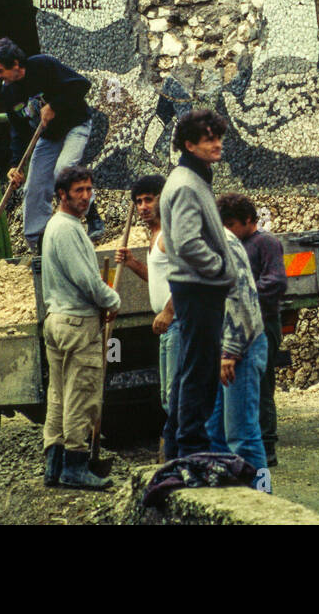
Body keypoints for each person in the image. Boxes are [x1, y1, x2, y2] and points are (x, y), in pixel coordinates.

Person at [159, 109, 237, 460]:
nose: (217, 144)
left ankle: (179, 445)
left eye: (218, 136)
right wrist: (220, 267)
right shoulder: (188, 185)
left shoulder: (192, 177)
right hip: (198, 287)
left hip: (193, 287)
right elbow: (189, 242)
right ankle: (192, 447)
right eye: (208, 138)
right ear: (189, 145)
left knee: (189, 368)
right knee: (200, 371)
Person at [39, 165, 121, 489]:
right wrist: (112, 299)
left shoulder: (57, 226)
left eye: (89, 190)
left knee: (58, 394)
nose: (86, 197)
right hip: (76, 322)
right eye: (79, 191)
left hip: (57, 319)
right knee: (81, 393)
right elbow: (87, 280)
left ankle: (54, 464)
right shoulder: (68, 229)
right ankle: (74, 464)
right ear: (62, 194)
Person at [0, 37, 106, 251]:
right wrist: (15, 165)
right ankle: (38, 243)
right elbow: (18, 130)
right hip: (48, 136)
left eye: (0, 71)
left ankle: (93, 217)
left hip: (75, 126)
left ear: (15, 64)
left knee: (64, 171)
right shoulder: (8, 92)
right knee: (33, 186)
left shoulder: (43, 65)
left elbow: (81, 85)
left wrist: (54, 105)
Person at [218, 193, 287, 466]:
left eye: (232, 224)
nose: (228, 230)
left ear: (249, 220)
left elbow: (277, 282)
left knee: (262, 385)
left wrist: (241, 294)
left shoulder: (265, 242)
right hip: (237, 326)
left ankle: (267, 445)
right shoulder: (233, 243)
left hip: (263, 324)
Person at [205, 220, 270, 487]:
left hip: (240, 348)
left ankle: (263, 497)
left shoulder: (223, 243)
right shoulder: (202, 241)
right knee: (215, 432)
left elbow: (240, 296)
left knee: (243, 436)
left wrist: (230, 350)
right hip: (222, 348)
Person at [113, 174, 173, 459]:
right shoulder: (154, 235)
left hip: (177, 323)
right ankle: (174, 454)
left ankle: (180, 454)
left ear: (163, 198)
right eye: (138, 201)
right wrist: (133, 263)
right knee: (166, 396)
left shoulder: (170, 234)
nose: (143, 206)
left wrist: (169, 311)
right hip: (166, 326)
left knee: (174, 396)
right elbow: (158, 279)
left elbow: (188, 276)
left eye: (149, 199)